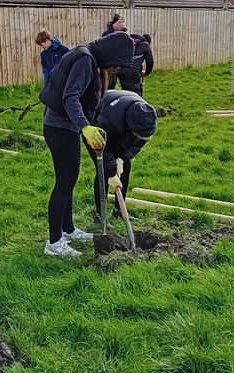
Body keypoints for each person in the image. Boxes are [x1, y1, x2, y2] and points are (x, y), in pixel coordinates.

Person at [38, 32, 135, 257]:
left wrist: (88, 125)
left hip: (66, 126)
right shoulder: (85, 60)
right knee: (64, 183)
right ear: (111, 55)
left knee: (69, 180)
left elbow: (86, 100)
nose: (114, 72)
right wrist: (84, 126)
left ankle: (68, 230)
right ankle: (54, 242)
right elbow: (70, 96)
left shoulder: (90, 58)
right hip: (60, 127)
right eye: (116, 67)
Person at [87, 89, 157, 222]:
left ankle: (119, 210)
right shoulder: (108, 120)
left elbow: (137, 144)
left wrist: (121, 159)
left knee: (126, 165)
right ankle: (100, 214)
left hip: (120, 127)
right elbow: (105, 151)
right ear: (132, 128)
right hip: (95, 128)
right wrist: (112, 173)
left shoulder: (147, 118)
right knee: (103, 170)